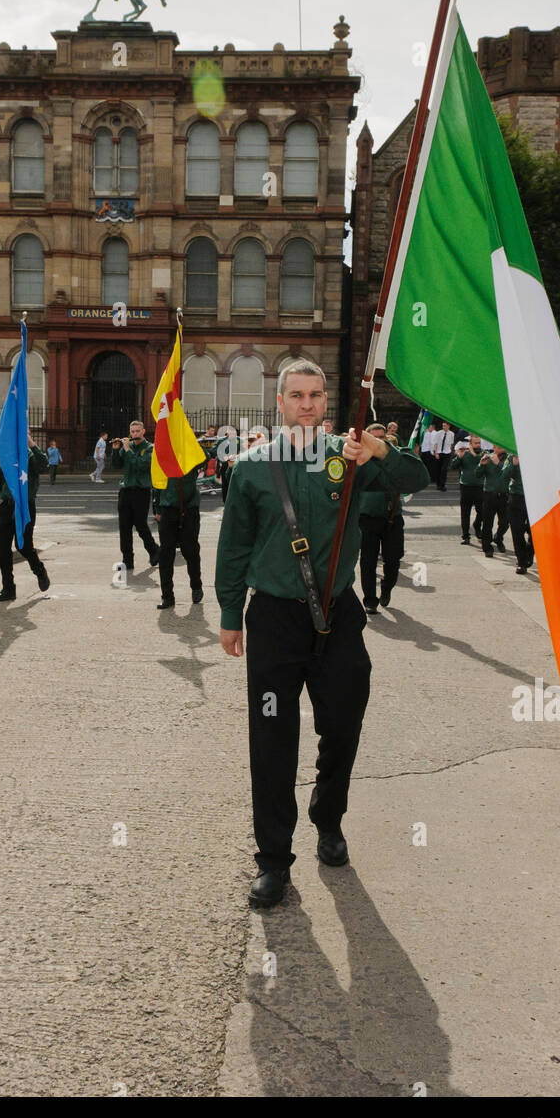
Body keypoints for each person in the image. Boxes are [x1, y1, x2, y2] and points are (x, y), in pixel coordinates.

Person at [216, 360, 429, 911]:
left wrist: (379, 452)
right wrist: (230, 613)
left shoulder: (349, 455)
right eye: (297, 395)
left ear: (326, 403)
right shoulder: (252, 467)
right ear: (280, 401)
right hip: (274, 623)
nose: (307, 404)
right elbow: (234, 546)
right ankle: (273, 861)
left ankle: (328, 817)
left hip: (337, 617)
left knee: (342, 723)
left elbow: (417, 479)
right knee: (271, 739)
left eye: (316, 395)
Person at [0, 431, 50, 601]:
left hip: (25, 507)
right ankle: (8, 589)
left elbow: (44, 465)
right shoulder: (6, 458)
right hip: (7, 507)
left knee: (24, 546)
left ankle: (40, 571)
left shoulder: (30, 455)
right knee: (3, 550)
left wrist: (31, 443)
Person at [358, 423, 407, 612]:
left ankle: (386, 589)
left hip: (393, 518)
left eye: (382, 437)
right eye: (374, 437)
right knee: (368, 561)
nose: (379, 440)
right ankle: (370, 600)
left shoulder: (394, 459)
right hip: (367, 518)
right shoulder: (361, 460)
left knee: (393, 561)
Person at [111, 421, 160, 571]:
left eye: (138, 431)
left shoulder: (150, 448)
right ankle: (127, 560)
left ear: (143, 431)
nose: (135, 434)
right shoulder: (128, 447)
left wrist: (127, 450)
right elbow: (116, 465)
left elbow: (141, 465)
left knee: (140, 525)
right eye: (132, 432)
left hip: (141, 491)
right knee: (124, 527)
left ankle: (153, 550)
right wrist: (115, 450)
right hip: (126, 490)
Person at [153, 465, 203, 609]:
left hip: (189, 508)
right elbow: (156, 482)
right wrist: (157, 508)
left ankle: (196, 586)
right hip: (168, 507)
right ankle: (167, 596)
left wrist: (190, 444)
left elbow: (204, 457)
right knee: (166, 554)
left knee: (190, 550)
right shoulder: (164, 452)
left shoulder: (190, 450)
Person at [502, 453, 533, 574]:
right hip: (516, 497)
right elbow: (504, 476)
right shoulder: (512, 456)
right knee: (517, 531)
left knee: (534, 531)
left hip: (535, 498)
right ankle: (521, 562)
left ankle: (529, 553)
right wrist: (514, 465)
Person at [476, 445, 509, 557]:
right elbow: (477, 474)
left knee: (505, 523)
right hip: (489, 495)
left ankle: (498, 538)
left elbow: (508, 475)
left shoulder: (509, 459)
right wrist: (482, 464)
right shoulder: (488, 458)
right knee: (487, 523)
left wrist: (498, 464)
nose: (496, 449)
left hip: (504, 495)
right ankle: (487, 547)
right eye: (494, 447)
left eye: (499, 446)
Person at [450, 434, 483, 544]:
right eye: (475, 443)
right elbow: (453, 466)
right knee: (465, 512)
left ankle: (477, 526)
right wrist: (459, 456)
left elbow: (484, 463)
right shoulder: (464, 453)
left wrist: (474, 454)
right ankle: (465, 535)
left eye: (479, 443)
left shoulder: (484, 454)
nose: (478, 445)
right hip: (466, 487)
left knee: (482, 512)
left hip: (480, 487)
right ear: (470, 444)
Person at [434, 420, 455, 490]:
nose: (443, 427)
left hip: (447, 453)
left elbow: (451, 444)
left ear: (449, 426)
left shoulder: (452, 434)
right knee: (438, 469)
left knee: (444, 469)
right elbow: (436, 443)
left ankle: (443, 485)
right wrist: (436, 453)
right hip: (439, 453)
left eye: (445, 426)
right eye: (443, 426)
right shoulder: (439, 433)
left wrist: (450, 452)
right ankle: (438, 484)